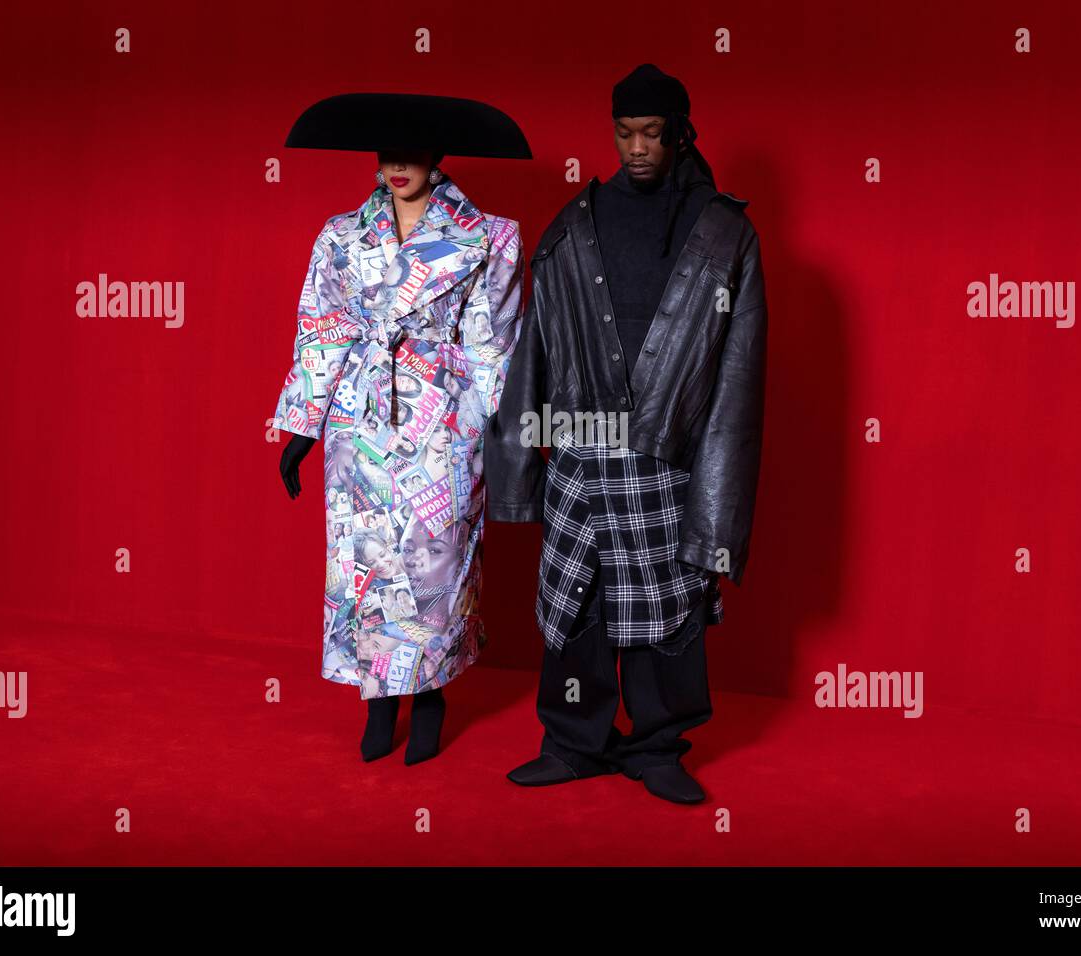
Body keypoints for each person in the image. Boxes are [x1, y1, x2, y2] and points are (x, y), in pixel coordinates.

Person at [485, 64, 767, 803]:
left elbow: (739, 376)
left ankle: (656, 750)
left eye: (652, 133)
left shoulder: (723, 231)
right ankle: (574, 743)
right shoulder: (574, 224)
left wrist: (720, 499)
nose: (637, 147)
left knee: (666, 611)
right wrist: (517, 467)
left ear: (679, 133)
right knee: (575, 606)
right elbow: (532, 349)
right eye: (624, 132)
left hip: (667, 455)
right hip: (581, 444)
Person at [271, 93, 530, 765]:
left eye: (412, 153)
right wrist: (303, 424)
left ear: (438, 155)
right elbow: (320, 334)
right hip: (357, 424)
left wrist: (507, 439)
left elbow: (493, 344)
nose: (397, 166)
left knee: (435, 565)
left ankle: (433, 695)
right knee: (366, 567)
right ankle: (377, 703)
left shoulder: (491, 235)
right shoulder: (339, 235)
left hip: (443, 423)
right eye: (386, 154)